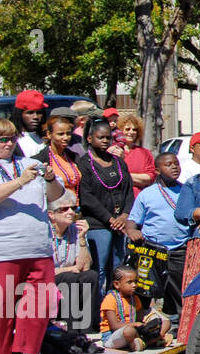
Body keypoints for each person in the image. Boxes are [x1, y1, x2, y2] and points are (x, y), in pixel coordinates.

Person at [0, 116, 65, 354]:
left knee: (39, 305)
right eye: (1, 139)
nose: (8, 144)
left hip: (38, 248)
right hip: (2, 250)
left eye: (11, 139)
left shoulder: (29, 164)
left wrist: (50, 177)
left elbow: (56, 194)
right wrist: (21, 181)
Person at [123, 153, 191, 317]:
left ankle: (178, 321)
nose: (174, 167)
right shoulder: (147, 194)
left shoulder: (187, 191)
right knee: (145, 290)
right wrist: (132, 231)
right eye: (168, 164)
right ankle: (141, 320)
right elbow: (132, 221)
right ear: (157, 170)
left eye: (176, 163)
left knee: (179, 289)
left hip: (179, 249)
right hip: (152, 250)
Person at [78, 118, 134, 294]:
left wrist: (124, 215)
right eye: (100, 137)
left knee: (117, 268)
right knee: (100, 268)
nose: (104, 141)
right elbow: (86, 197)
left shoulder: (118, 162)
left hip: (119, 223)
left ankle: (115, 304)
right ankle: (98, 308)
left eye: (108, 138)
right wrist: (109, 218)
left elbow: (128, 191)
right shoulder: (84, 164)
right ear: (89, 138)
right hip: (97, 224)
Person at [47, 190, 98, 333]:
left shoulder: (75, 230)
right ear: (51, 215)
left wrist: (82, 238)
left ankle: (84, 328)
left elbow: (85, 267)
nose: (71, 212)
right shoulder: (44, 232)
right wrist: (68, 269)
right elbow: (48, 270)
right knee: (69, 277)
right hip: (47, 279)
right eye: (64, 209)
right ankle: (71, 330)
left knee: (91, 276)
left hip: (70, 275)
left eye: (73, 208)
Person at [99, 265, 170, 351]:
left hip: (134, 332)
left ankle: (144, 343)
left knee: (166, 323)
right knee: (129, 331)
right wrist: (135, 324)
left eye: (135, 282)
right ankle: (151, 341)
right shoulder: (110, 299)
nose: (134, 285)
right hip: (113, 336)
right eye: (130, 282)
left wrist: (147, 325)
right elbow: (114, 326)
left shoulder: (135, 298)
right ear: (117, 284)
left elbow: (139, 320)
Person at [112, 114, 156, 194]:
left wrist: (124, 176)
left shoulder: (145, 153)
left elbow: (150, 177)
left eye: (134, 129)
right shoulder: (113, 152)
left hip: (139, 198)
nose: (131, 132)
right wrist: (139, 179)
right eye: (127, 129)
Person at [44, 116, 82, 200]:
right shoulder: (42, 159)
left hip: (75, 207)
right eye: (60, 134)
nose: (65, 138)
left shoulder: (73, 156)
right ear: (49, 134)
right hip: (56, 209)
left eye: (68, 134)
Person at [12, 89, 49, 159]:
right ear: (19, 114)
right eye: (30, 113)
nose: (35, 117)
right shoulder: (11, 141)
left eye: (39, 113)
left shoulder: (47, 137)